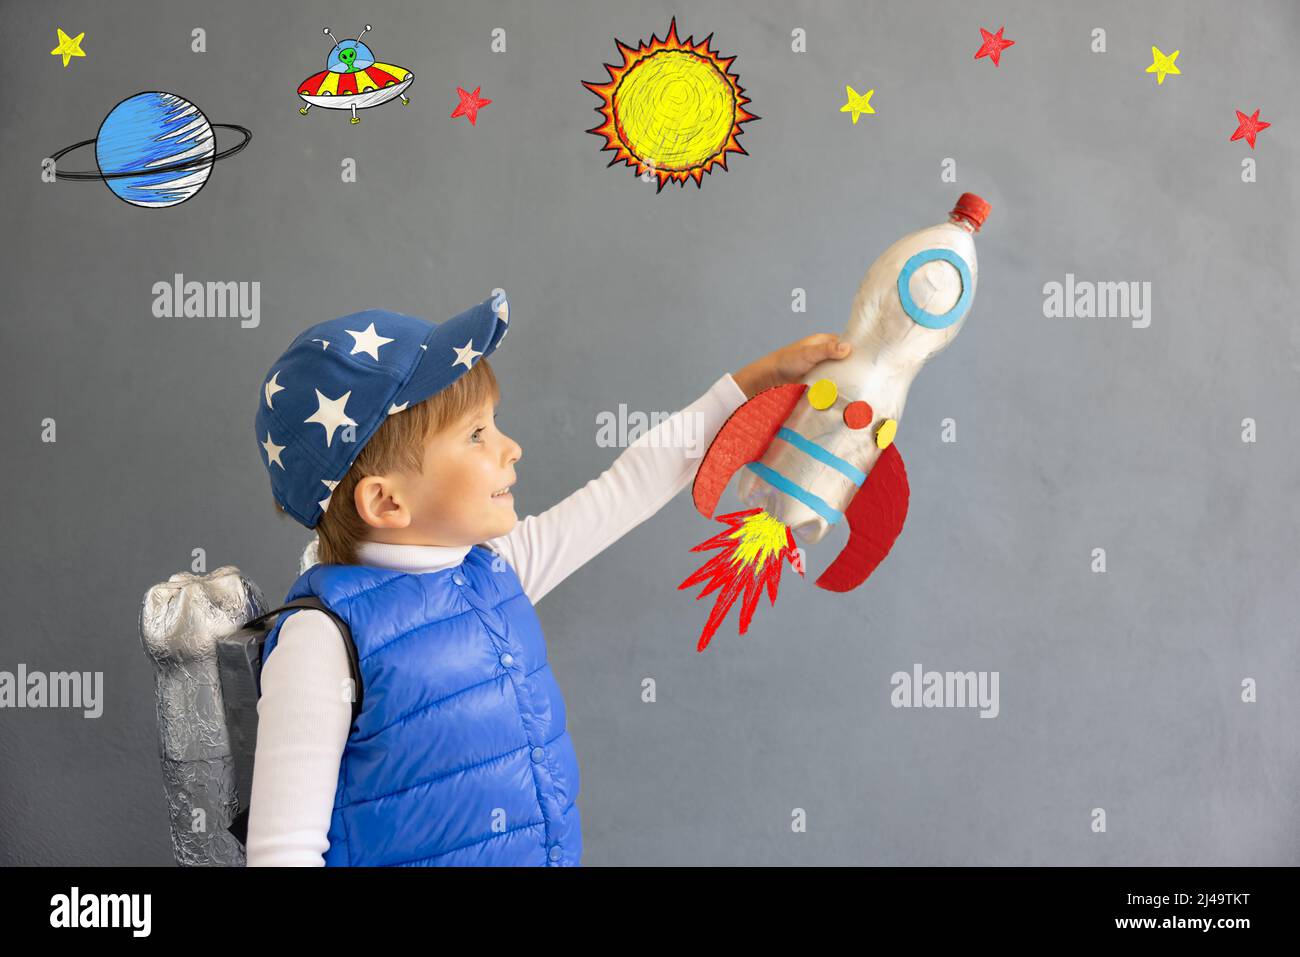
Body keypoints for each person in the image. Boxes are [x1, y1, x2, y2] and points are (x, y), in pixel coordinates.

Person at [248, 293, 851, 865]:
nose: (511, 448)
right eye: (477, 434)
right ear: (386, 502)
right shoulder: (320, 641)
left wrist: (752, 385)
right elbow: (283, 852)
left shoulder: (497, 569)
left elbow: (632, 482)